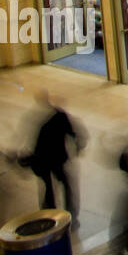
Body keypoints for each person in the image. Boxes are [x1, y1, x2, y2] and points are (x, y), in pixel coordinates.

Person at [23, 93, 84, 221]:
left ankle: (50, 213)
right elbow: (74, 133)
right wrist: (78, 146)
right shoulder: (60, 116)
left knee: (49, 187)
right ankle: (68, 213)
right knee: (62, 184)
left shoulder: (46, 119)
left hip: (46, 159)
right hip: (55, 158)